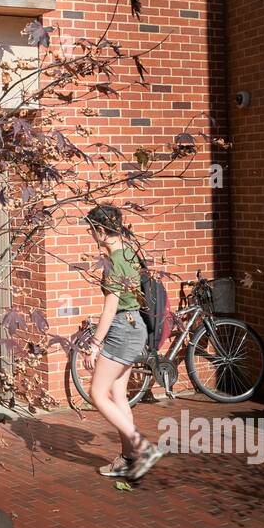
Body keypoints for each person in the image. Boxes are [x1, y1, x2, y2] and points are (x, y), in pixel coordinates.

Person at [81, 204, 163, 481]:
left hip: (122, 328)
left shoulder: (115, 260)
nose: (92, 236)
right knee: (117, 392)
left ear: (101, 231)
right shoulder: (129, 251)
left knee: (97, 393)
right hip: (135, 325)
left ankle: (142, 447)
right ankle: (129, 458)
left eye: (92, 231)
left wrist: (94, 343)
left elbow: (110, 307)